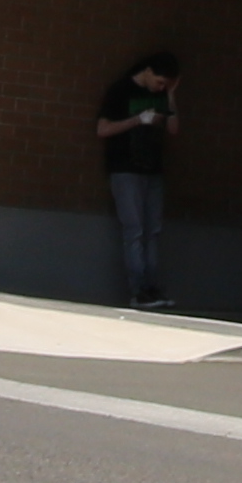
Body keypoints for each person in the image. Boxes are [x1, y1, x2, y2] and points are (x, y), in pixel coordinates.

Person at [94, 49, 180, 309]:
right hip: (125, 169)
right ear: (148, 72)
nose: (160, 87)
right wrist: (137, 120)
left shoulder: (161, 94)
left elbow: (174, 129)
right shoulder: (121, 91)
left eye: (166, 84)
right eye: (160, 82)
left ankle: (152, 287)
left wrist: (171, 96)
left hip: (152, 170)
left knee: (152, 231)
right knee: (135, 230)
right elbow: (102, 129)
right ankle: (138, 290)